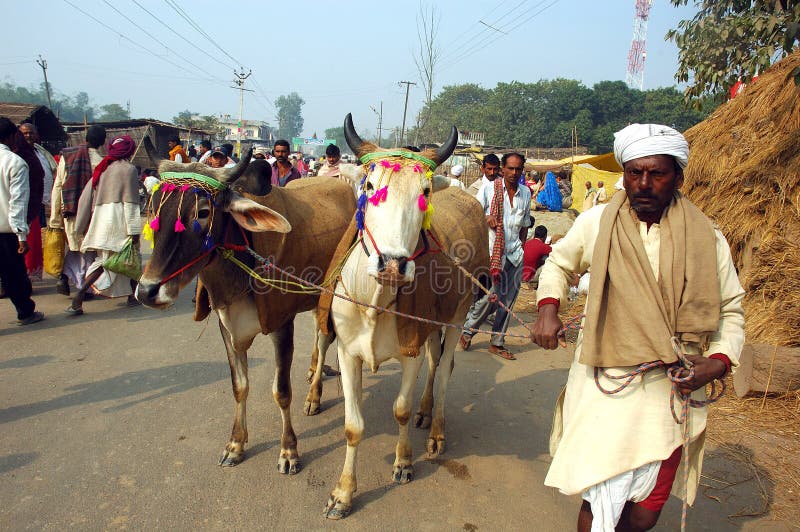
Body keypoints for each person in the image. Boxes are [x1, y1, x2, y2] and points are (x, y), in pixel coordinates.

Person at [531, 123, 745, 532]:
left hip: (671, 390)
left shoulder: (709, 238)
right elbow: (558, 264)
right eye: (634, 172)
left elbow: (731, 309)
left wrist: (718, 361)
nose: (643, 184)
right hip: (604, 383)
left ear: (678, 177)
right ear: (625, 174)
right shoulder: (597, 223)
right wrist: (547, 309)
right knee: (598, 502)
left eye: (657, 173)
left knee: (645, 515)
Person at [460, 152, 532, 361]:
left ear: (522, 170)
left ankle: (497, 342)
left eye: (518, 169)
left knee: (508, 302)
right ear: (503, 169)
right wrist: (486, 216)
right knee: (490, 297)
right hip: (493, 252)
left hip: (515, 254)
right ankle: (468, 330)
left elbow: (525, 224)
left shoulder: (525, 193)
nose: (514, 172)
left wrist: (522, 247)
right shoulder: (489, 189)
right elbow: (471, 214)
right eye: (510, 168)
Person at [66, 135, 142, 315]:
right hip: (118, 219)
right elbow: (130, 202)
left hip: (101, 217)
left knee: (123, 257)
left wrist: (82, 224)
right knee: (116, 259)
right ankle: (79, 296)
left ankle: (133, 295)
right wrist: (134, 230)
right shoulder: (129, 169)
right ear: (129, 151)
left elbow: (87, 196)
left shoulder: (104, 167)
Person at [50, 125, 106, 296]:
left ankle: (65, 276)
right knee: (87, 251)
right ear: (102, 142)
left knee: (76, 248)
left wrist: (55, 216)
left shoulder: (67, 156)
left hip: (68, 210)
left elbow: (58, 186)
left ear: (86, 137)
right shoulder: (101, 163)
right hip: (89, 214)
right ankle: (83, 288)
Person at [0, 117, 44, 324]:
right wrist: (22, 236)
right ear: (11, 137)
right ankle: (25, 312)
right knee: (14, 274)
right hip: (7, 231)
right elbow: (17, 202)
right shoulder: (15, 162)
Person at [12, 129, 45, 282]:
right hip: (21, 208)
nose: (28, 136)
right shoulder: (17, 158)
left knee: (30, 245)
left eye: (31, 133)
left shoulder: (39, 153)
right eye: (24, 133)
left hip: (32, 207)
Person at [521, 225, 551, 290]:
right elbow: (554, 252)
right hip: (530, 277)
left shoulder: (527, 243)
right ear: (545, 236)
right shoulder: (542, 246)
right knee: (549, 260)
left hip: (520, 274)